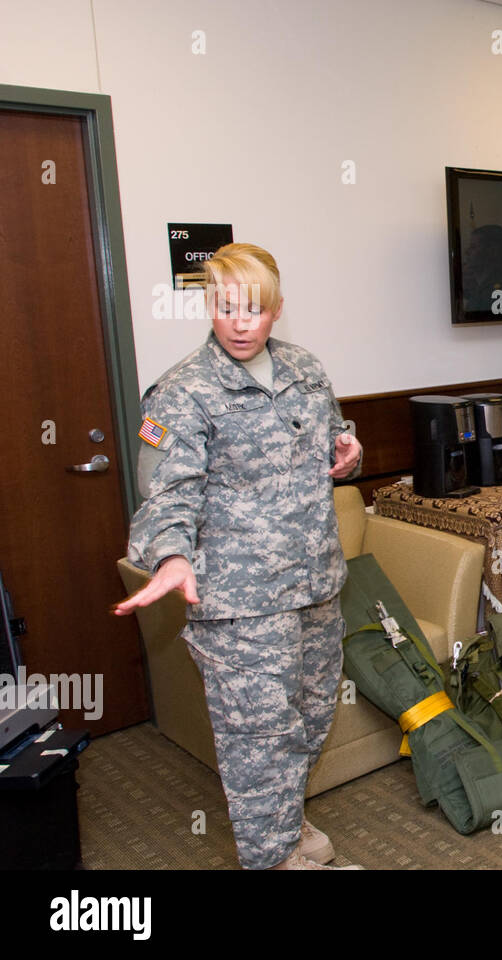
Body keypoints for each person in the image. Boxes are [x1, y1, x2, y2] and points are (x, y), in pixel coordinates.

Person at [114, 243, 364, 870]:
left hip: (313, 584)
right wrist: (170, 555)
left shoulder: (305, 369)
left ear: (276, 309)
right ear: (211, 307)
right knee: (259, 743)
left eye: (253, 308)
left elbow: (334, 435)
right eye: (226, 308)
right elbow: (168, 492)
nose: (240, 322)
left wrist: (347, 454)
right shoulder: (182, 392)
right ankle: (273, 859)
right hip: (239, 603)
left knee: (308, 721)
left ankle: (285, 825)